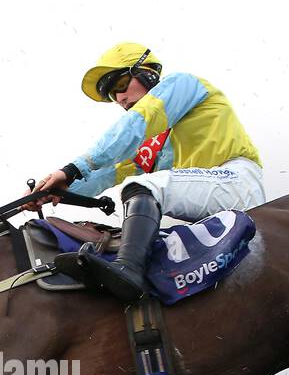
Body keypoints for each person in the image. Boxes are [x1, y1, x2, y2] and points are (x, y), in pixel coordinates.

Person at [31, 43, 266, 302]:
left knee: (141, 187)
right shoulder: (153, 142)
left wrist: (72, 168)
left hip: (235, 181)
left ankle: (127, 270)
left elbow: (135, 125)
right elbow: (108, 173)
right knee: (141, 225)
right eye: (111, 95)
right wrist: (57, 192)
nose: (119, 98)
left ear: (147, 73)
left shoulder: (183, 84)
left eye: (119, 84)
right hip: (200, 205)